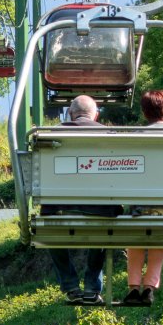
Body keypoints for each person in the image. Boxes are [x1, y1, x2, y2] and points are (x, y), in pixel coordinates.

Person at [43, 94, 118, 305]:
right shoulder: (111, 135)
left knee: (49, 232)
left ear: (70, 114)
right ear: (96, 115)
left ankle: (70, 285)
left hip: (58, 207)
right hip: (101, 208)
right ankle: (92, 287)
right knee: (103, 231)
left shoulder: (51, 134)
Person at [122, 89, 163, 306]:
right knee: (159, 240)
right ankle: (150, 286)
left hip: (141, 207)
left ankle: (134, 287)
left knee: (136, 239)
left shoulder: (137, 138)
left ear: (145, 113)